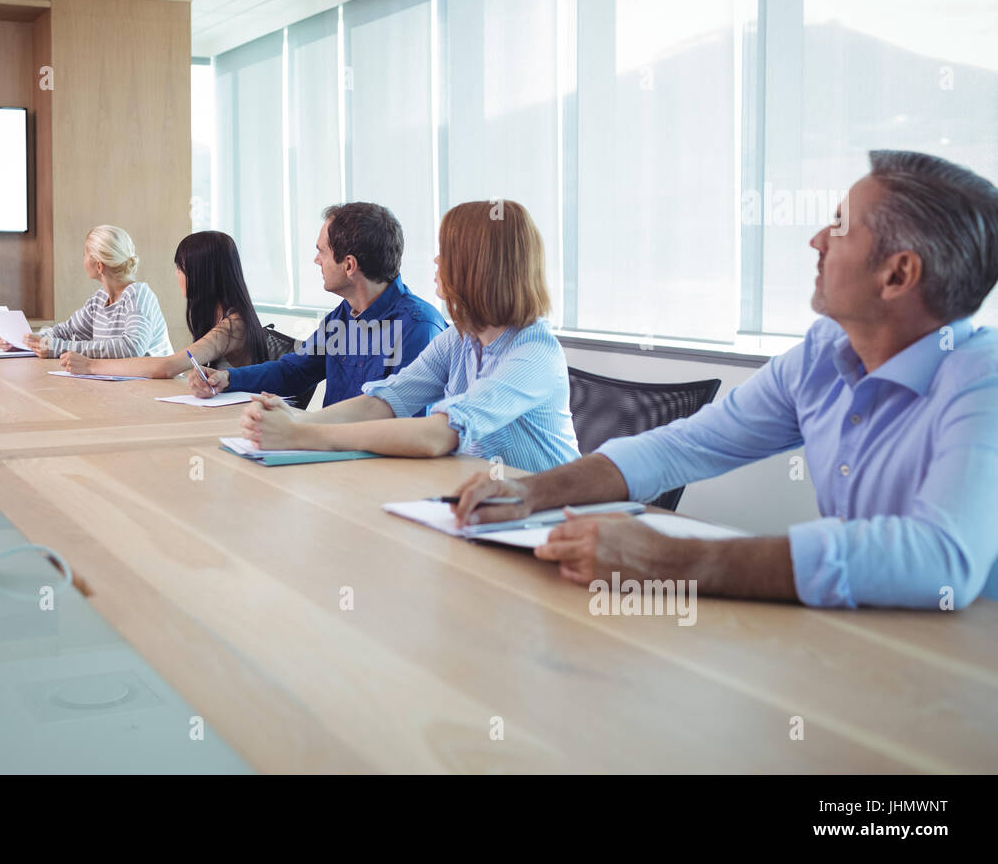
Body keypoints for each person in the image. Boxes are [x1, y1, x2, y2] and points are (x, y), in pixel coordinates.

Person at [451, 151, 998, 610]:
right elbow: (683, 445)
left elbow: (938, 557)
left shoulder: (982, 380)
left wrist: (672, 560)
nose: (816, 241)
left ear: (898, 273)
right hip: (867, 634)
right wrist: (530, 491)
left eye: (838, 227)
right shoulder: (822, 354)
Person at [238, 200, 580, 472]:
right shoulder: (460, 339)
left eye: (447, 251)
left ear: (479, 266)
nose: (436, 259)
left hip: (547, 516)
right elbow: (384, 402)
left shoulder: (534, 352)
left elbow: (437, 435)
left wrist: (302, 433)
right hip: (481, 496)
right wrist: (294, 419)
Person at [186, 202, 445, 407]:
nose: (316, 260)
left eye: (322, 252)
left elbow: (409, 425)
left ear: (349, 265)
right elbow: (294, 372)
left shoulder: (418, 327)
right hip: (329, 446)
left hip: (366, 454)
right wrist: (227, 378)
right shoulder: (342, 317)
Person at [60, 230, 269, 376]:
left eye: (180, 268)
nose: (177, 275)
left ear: (202, 274)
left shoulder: (234, 326)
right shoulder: (216, 317)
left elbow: (168, 366)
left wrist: (91, 366)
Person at [0, 224, 173, 359]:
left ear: (99, 265)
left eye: (85, 254)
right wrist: (26, 341)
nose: (83, 260)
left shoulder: (139, 295)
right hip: (124, 386)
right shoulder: (100, 299)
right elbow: (66, 331)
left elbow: (132, 348)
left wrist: (57, 347)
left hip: (153, 389)